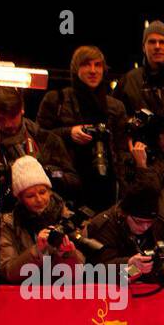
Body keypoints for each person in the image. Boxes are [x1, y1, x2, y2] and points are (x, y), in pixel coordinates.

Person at [35, 45, 128, 212]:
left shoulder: (116, 107)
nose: (93, 70)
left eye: (98, 65)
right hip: (67, 184)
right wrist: (69, 133)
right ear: (75, 69)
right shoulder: (56, 100)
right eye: (86, 64)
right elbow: (38, 136)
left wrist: (123, 189)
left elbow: (122, 152)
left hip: (106, 189)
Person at [0, 156, 86, 281]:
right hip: (25, 294)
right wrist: (37, 251)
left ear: (50, 191)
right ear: (20, 198)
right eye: (30, 196)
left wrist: (67, 255)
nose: (39, 199)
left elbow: (80, 275)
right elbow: (8, 272)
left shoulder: (69, 219)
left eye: (42, 192)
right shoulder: (9, 224)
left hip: (62, 293)